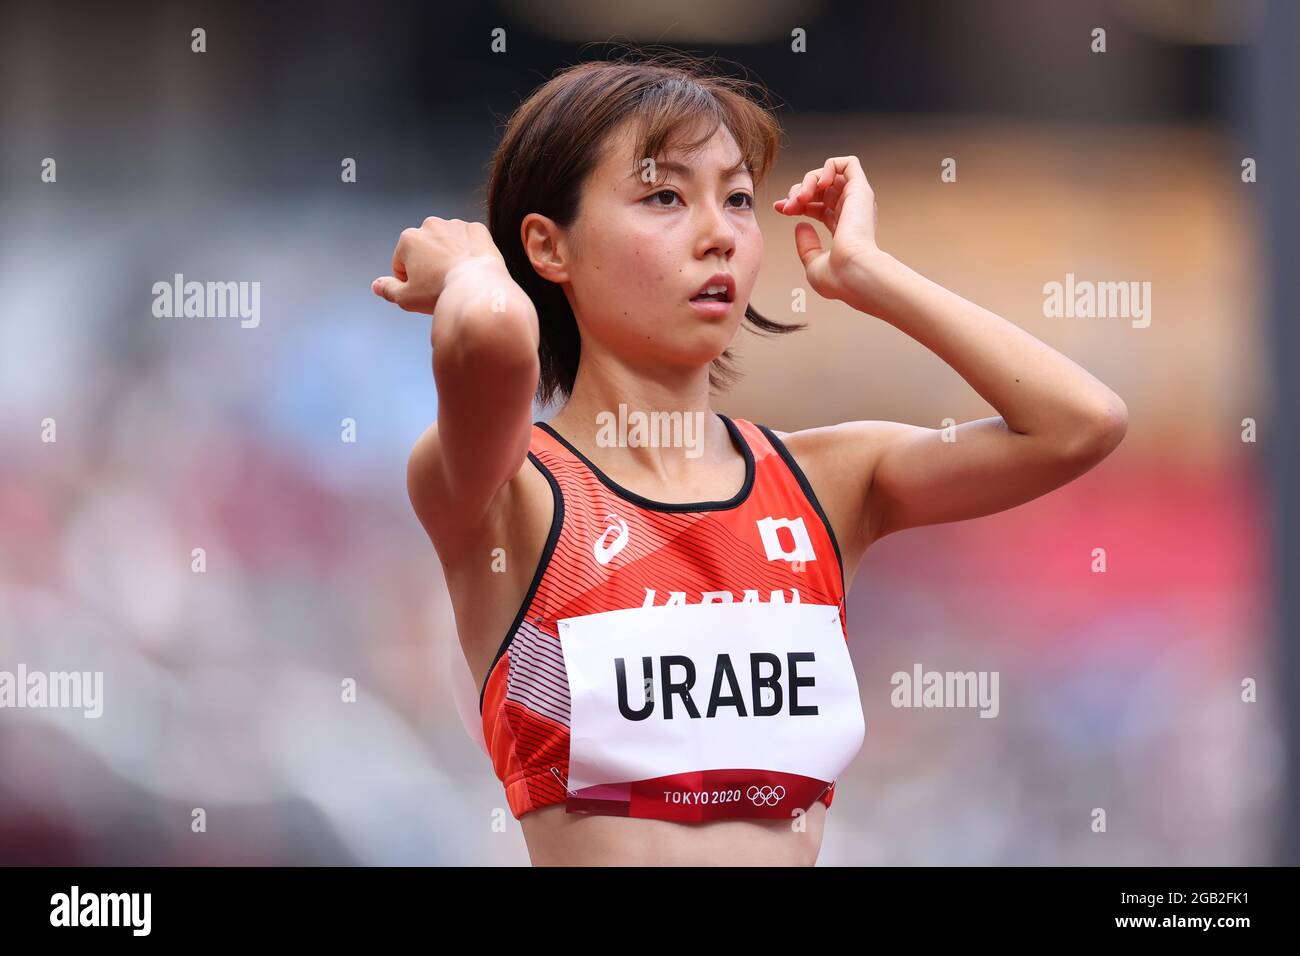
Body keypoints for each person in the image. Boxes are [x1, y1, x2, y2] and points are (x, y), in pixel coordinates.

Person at [372, 51, 1127, 866]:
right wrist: (480, 270)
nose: (720, 235)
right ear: (548, 249)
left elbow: (1081, 422)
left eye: (736, 199)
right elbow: (489, 329)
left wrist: (872, 274)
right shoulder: (507, 493)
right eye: (664, 196)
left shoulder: (828, 482)